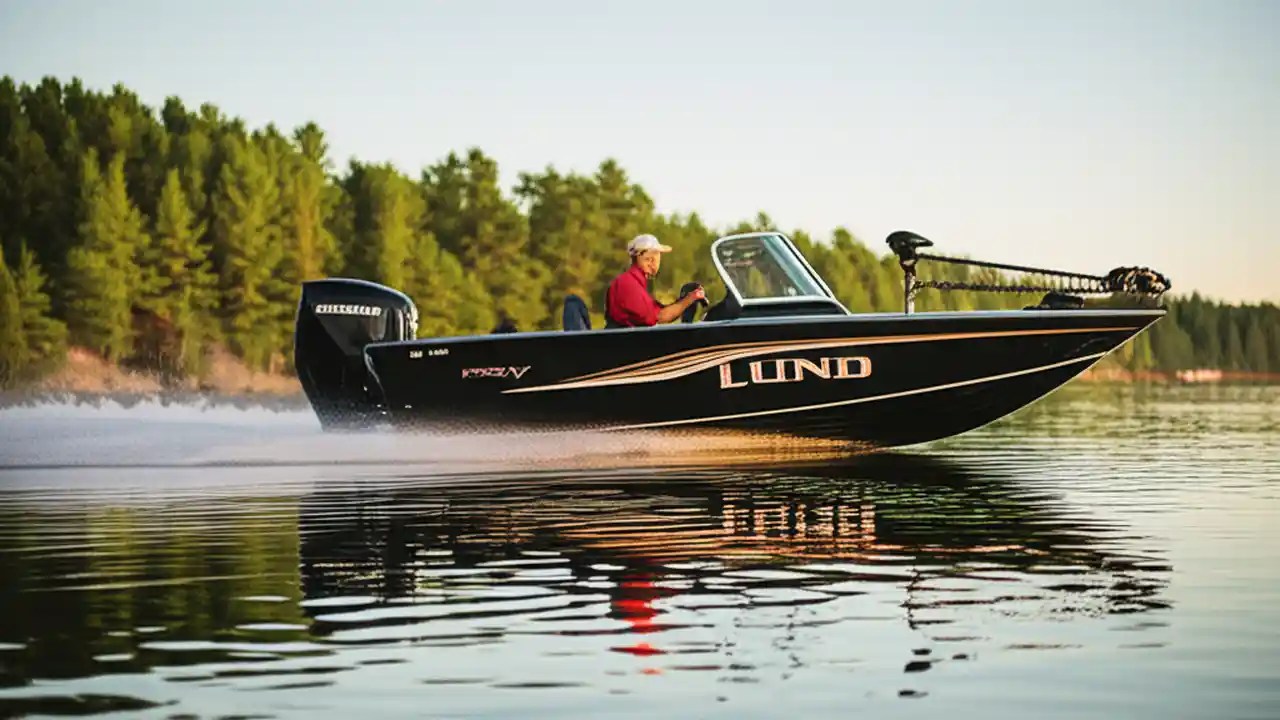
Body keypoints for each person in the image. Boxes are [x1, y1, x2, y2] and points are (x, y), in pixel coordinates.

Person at [605, 234, 705, 328]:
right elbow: (660, 316)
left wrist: (684, 300)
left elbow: (660, 311)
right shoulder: (629, 284)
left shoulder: (631, 281)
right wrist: (691, 298)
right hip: (624, 344)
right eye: (658, 257)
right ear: (651, 260)